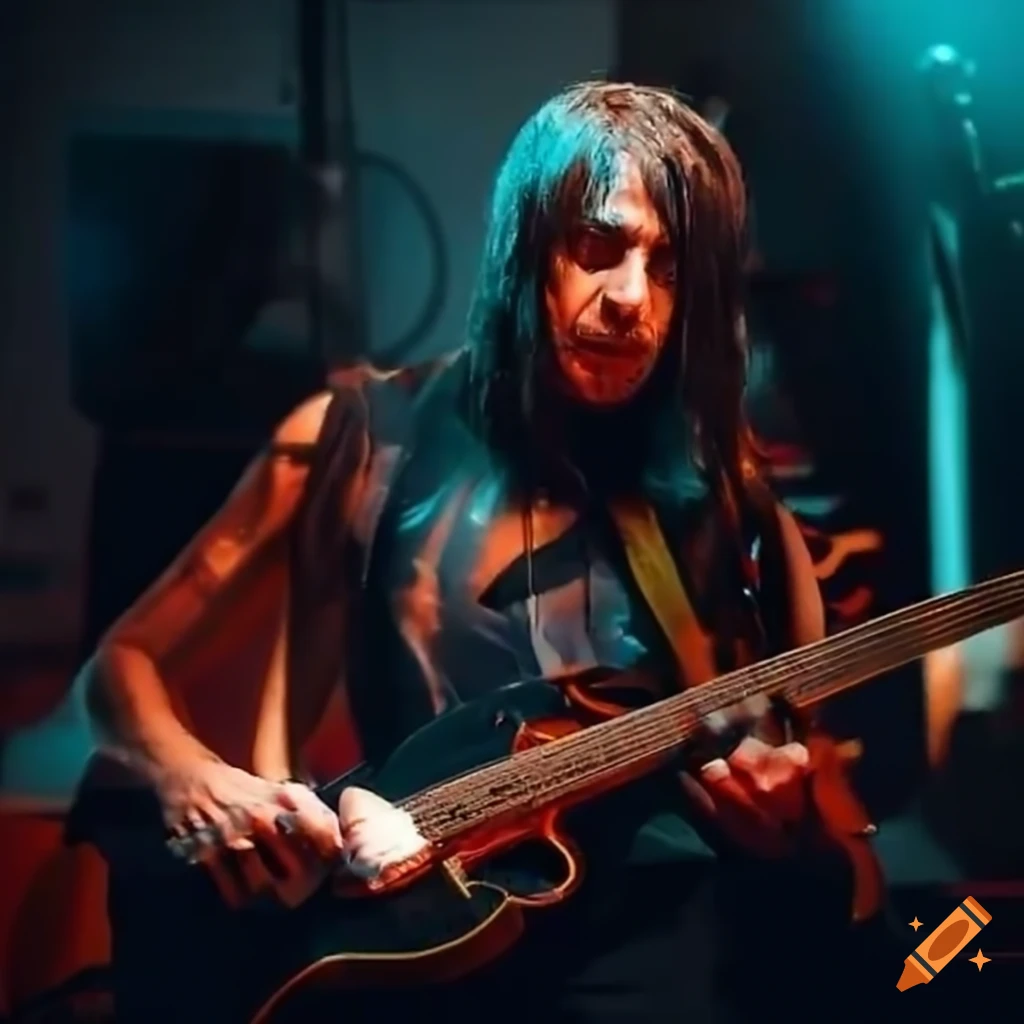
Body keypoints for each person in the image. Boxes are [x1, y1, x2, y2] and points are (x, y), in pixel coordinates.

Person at [76, 81, 902, 1023]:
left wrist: (791, 834)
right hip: (421, 952)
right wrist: (193, 779)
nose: (632, 298)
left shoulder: (729, 499)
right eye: (599, 246)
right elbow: (122, 667)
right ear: (525, 242)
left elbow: (847, 847)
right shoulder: (360, 438)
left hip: (659, 959)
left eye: (670, 267)